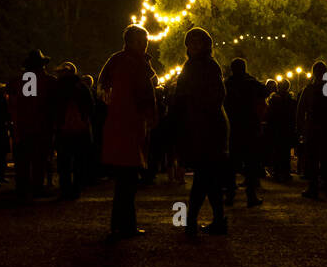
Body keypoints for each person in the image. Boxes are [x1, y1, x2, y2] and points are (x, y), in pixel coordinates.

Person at [98, 26, 158, 239]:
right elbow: (142, 95)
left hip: (120, 124)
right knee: (128, 179)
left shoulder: (118, 61)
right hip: (129, 125)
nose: (145, 44)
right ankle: (126, 225)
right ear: (131, 42)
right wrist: (150, 116)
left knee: (125, 179)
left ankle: (120, 223)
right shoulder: (132, 63)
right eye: (142, 40)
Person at [170, 27, 229, 236]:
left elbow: (216, 96)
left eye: (198, 42)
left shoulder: (208, 66)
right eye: (190, 42)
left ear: (206, 45)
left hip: (208, 128)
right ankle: (218, 220)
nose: (193, 46)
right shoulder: (192, 66)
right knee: (209, 177)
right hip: (198, 127)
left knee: (203, 176)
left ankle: (191, 221)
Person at [7, 49, 57, 200]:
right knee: (39, 160)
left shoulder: (17, 80)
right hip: (41, 127)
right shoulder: (49, 81)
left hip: (22, 126)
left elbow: (13, 102)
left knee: (22, 160)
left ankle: (22, 188)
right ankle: (37, 188)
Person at [223, 58, 266, 207]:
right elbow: (264, 91)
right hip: (249, 127)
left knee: (231, 165)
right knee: (250, 164)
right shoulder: (251, 83)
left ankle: (230, 195)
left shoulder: (227, 84)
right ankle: (251, 195)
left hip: (233, 127)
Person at [297, 61, 327, 199]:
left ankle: (313, 187)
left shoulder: (310, 89)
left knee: (312, 160)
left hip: (313, 129)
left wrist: (301, 128)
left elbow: (300, 110)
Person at [52, 62, 94, 199]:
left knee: (64, 162)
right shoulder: (82, 87)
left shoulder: (57, 88)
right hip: (80, 129)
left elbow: (50, 108)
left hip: (63, 129)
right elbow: (91, 107)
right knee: (79, 161)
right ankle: (76, 188)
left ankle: (65, 189)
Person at [265, 79, 296, 183]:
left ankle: (277, 172)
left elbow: (269, 115)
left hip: (276, 128)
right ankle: (286, 172)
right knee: (286, 151)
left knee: (276, 150)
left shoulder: (273, 100)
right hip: (287, 128)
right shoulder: (291, 100)